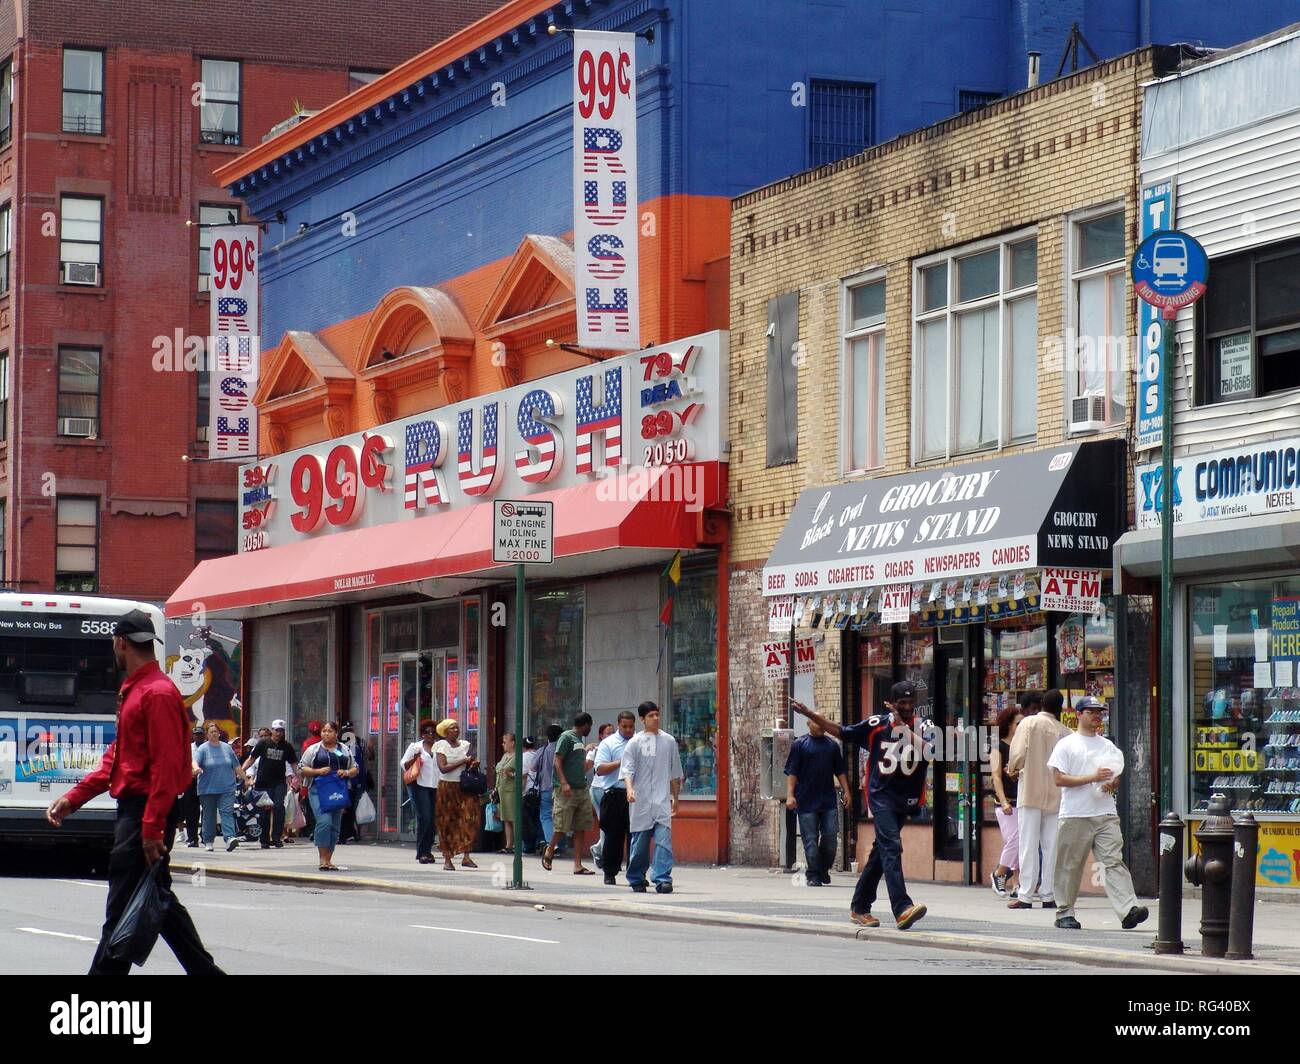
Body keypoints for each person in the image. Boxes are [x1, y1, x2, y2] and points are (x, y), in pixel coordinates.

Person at [45, 608, 224, 975]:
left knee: (122, 909)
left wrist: (151, 827)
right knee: (157, 901)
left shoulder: (154, 693)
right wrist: (74, 798)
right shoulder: (140, 690)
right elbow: (119, 757)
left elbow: (164, 765)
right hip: (141, 809)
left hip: (143, 810)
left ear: (120, 642)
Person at [792, 682, 931, 931]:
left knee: (880, 855)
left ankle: (859, 906)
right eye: (903, 704)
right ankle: (902, 908)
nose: (908, 708)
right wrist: (809, 714)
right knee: (891, 848)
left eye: (911, 703)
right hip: (881, 797)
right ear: (892, 703)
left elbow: (933, 752)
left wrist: (904, 729)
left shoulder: (923, 726)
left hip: (905, 799)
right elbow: (840, 731)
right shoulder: (876, 725)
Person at [1048, 697, 1148, 931]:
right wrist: (1091, 778)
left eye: (1099, 712)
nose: (1096, 715)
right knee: (1070, 865)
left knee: (1113, 861)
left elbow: (1117, 774)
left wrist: (1112, 783)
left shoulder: (1108, 746)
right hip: (1075, 813)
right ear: (1079, 714)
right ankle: (1065, 912)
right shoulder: (1067, 745)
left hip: (1105, 812)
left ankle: (1128, 910)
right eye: (1091, 711)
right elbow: (1058, 779)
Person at [1006, 687, 1072, 910]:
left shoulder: (1029, 723)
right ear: (1060, 708)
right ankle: (1048, 894)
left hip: (1030, 790)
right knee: (1051, 846)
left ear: (1042, 704)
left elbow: (1017, 754)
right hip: (1056, 793)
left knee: (1028, 844)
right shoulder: (1065, 732)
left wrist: (1012, 768)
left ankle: (1025, 895)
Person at [620, 701, 684, 894]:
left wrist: (676, 797)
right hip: (641, 801)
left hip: (661, 800)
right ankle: (636, 877)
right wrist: (629, 789)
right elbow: (627, 769)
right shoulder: (634, 743)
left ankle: (662, 878)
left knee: (664, 841)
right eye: (651, 715)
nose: (655, 718)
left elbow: (674, 772)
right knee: (639, 844)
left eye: (657, 714)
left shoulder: (668, 741)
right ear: (642, 719)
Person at [783, 718, 849, 887]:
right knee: (810, 839)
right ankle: (814, 874)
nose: (820, 726)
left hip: (828, 800)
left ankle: (822, 869)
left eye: (822, 722)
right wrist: (790, 795)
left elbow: (840, 771)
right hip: (806, 800)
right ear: (808, 724)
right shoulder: (800, 744)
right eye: (816, 722)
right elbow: (792, 772)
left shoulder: (832, 746)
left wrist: (846, 791)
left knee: (831, 838)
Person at [298, 721, 358, 871]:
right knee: (324, 821)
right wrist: (317, 772)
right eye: (324, 731)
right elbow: (301, 768)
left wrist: (346, 773)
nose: (326, 733)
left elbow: (354, 767)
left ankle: (329, 859)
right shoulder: (314, 749)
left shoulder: (343, 749)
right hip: (318, 790)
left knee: (334, 825)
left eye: (329, 731)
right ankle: (322, 858)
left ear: (336, 733)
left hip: (337, 790)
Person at [543, 712, 595, 874]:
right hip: (566, 790)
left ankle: (577, 865)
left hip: (581, 788)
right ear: (586, 724)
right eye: (589, 726)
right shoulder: (566, 737)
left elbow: (578, 764)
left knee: (581, 826)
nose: (590, 730)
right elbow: (557, 761)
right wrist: (564, 782)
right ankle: (550, 850)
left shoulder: (579, 741)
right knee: (561, 825)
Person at [594, 711, 635, 884]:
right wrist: (621, 762)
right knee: (613, 836)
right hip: (614, 793)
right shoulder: (609, 743)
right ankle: (610, 872)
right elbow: (600, 769)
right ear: (618, 725)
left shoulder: (638, 742)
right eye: (624, 726)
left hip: (634, 794)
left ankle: (636, 872)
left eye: (631, 727)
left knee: (636, 836)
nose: (628, 730)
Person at [241, 720, 297, 849]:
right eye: (277, 730)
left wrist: (298, 778)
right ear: (272, 730)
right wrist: (241, 771)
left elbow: (293, 763)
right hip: (263, 783)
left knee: (278, 807)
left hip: (279, 783)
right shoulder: (263, 743)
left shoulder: (287, 746)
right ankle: (264, 839)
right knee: (264, 811)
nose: (279, 733)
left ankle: (277, 838)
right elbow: (251, 759)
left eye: (281, 731)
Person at [434, 719, 480, 870]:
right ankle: (448, 858)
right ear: (446, 732)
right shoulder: (441, 746)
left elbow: (471, 759)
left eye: (457, 727)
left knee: (469, 818)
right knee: (447, 821)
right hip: (447, 788)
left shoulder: (466, 745)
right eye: (452, 728)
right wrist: (463, 761)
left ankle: (466, 856)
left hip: (464, 786)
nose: (456, 730)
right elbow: (443, 768)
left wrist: (472, 763)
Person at [989, 706, 1024, 897]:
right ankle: (999, 873)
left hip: (1024, 800)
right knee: (1015, 839)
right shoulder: (998, 746)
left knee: (1022, 843)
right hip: (1006, 803)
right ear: (1009, 725)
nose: (1021, 727)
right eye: (1018, 723)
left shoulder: (1024, 747)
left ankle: (1017, 886)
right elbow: (995, 776)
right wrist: (1003, 802)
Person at [194, 723, 242, 852]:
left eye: (216, 731)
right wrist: (196, 768)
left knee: (227, 812)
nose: (214, 733)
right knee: (209, 815)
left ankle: (230, 838)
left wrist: (245, 778)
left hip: (227, 787)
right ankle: (208, 840)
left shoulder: (227, 748)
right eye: (211, 732)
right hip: (208, 788)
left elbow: (236, 765)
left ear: (219, 733)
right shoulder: (203, 749)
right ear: (207, 735)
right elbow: (195, 761)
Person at [402, 719, 440, 863]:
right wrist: (415, 759)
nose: (430, 735)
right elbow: (404, 765)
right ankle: (422, 851)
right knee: (425, 817)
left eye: (432, 732)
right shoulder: (415, 747)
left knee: (432, 820)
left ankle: (427, 850)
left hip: (435, 785)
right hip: (419, 785)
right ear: (422, 734)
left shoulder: (439, 747)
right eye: (427, 732)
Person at [588, 722, 615, 867]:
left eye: (612, 732)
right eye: (607, 733)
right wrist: (584, 750)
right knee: (606, 824)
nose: (611, 736)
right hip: (599, 789)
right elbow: (587, 764)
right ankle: (603, 854)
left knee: (610, 825)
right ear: (600, 736)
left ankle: (599, 849)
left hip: (611, 789)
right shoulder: (596, 749)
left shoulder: (618, 746)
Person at [536, 724, 562, 850]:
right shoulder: (563, 748)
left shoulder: (543, 750)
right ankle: (561, 842)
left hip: (545, 786)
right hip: (562, 786)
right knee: (560, 815)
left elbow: (533, 767)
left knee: (546, 815)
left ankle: (552, 843)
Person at [494, 732, 518, 854]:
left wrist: (511, 774)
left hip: (511, 791)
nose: (503, 744)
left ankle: (517, 844)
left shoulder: (517, 757)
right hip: (502, 789)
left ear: (512, 743)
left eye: (505, 742)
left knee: (513, 817)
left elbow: (522, 775)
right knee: (506, 818)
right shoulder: (505, 756)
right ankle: (508, 844)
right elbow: (498, 768)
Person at [181, 725, 205, 846]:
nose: (198, 737)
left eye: (201, 734)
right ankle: (192, 838)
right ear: (193, 736)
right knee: (191, 811)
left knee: (206, 810)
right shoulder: (188, 748)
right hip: (191, 781)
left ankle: (205, 836)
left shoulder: (208, 747)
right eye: (196, 735)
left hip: (206, 781)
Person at [299, 719, 323, 839]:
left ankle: (314, 829)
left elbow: (304, 764)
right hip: (326, 780)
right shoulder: (328, 743)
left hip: (311, 780)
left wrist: (302, 782)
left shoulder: (307, 744)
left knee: (312, 807)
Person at [520, 737, 543, 853]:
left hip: (528, 792)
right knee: (539, 818)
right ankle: (540, 842)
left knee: (527, 820)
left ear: (523, 746)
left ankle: (529, 846)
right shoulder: (539, 754)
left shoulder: (524, 757)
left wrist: (521, 792)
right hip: (540, 790)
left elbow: (523, 776)